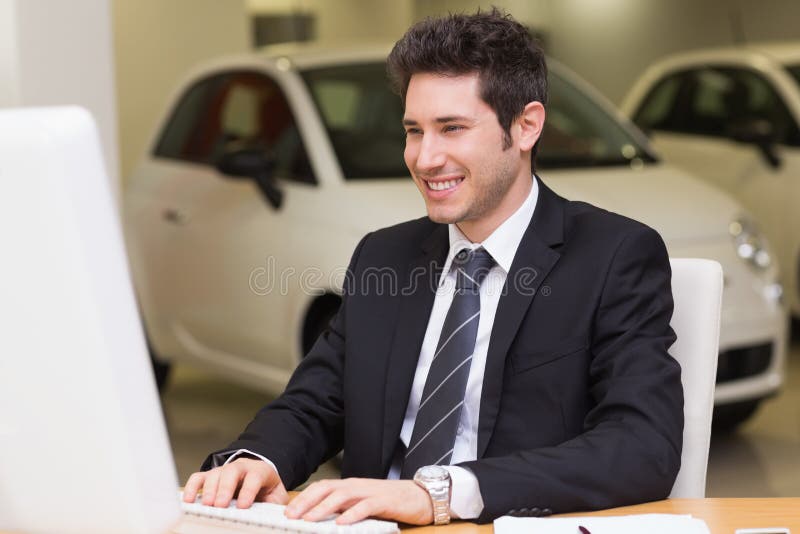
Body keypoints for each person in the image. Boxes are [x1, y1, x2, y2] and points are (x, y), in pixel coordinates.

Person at [182, 8, 683, 526]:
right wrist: (255, 460)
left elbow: (642, 444)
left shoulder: (614, 256)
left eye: (451, 129)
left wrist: (439, 494)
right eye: (414, 131)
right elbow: (316, 402)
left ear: (526, 126)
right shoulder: (383, 257)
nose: (424, 158)